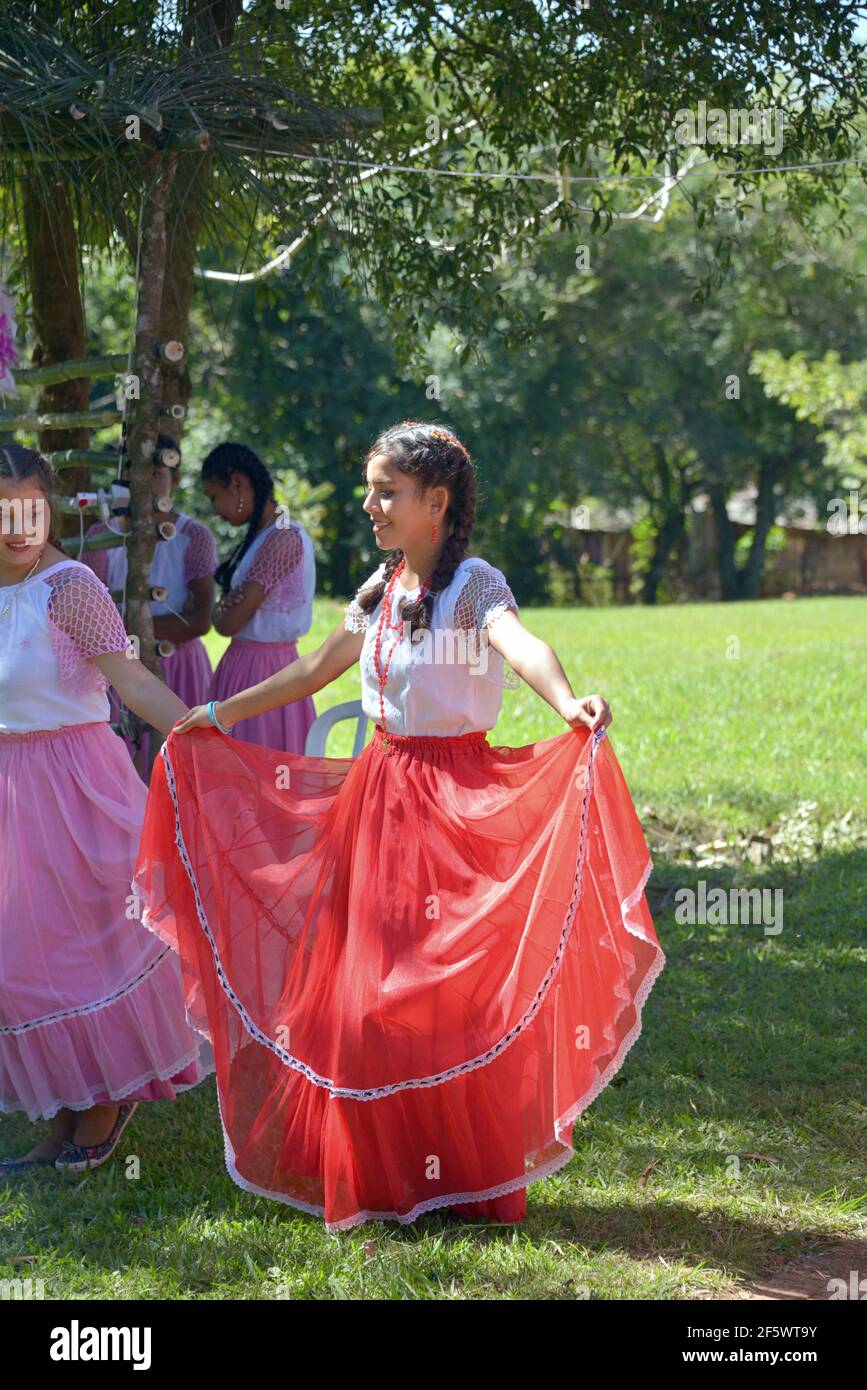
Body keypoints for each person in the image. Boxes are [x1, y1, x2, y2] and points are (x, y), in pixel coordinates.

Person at [133, 421, 665, 1230]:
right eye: (370, 488)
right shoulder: (383, 589)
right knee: (358, 987)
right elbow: (315, 669)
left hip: (452, 798)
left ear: (436, 502)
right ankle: (375, 1166)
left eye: (387, 491)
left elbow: (521, 644)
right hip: (376, 795)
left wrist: (567, 702)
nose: (370, 504)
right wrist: (215, 713)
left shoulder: (473, 585)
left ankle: (460, 1171)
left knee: (439, 990)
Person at [0, 444, 213, 1175]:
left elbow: (132, 681)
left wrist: (198, 734)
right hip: (8, 787)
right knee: (21, 957)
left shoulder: (70, 586)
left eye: (31, 507)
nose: (18, 526)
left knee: (90, 945)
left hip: (78, 785)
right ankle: (61, 1112)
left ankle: (106, 1098)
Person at [83, 434, 216, 769]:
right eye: (133, 473)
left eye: (156, 474)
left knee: (181, 766)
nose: (143, 484)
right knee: (121, 764)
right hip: (118, 668)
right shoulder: (101, 536)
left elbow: (200, 619)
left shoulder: (193, 537)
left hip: (179, 664)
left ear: (174, 477)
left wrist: (129, 628)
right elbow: (85, 618)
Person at [202, 442, 316, 752]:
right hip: (246, 667)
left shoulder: (282, 536)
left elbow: (229, 621)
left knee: (259, 771)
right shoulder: (265, 536)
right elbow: (226, 614)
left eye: (214, 496)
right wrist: (220, 611)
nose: (214, 508)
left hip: (266, 673)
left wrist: (217, 612)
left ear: (237, 483)